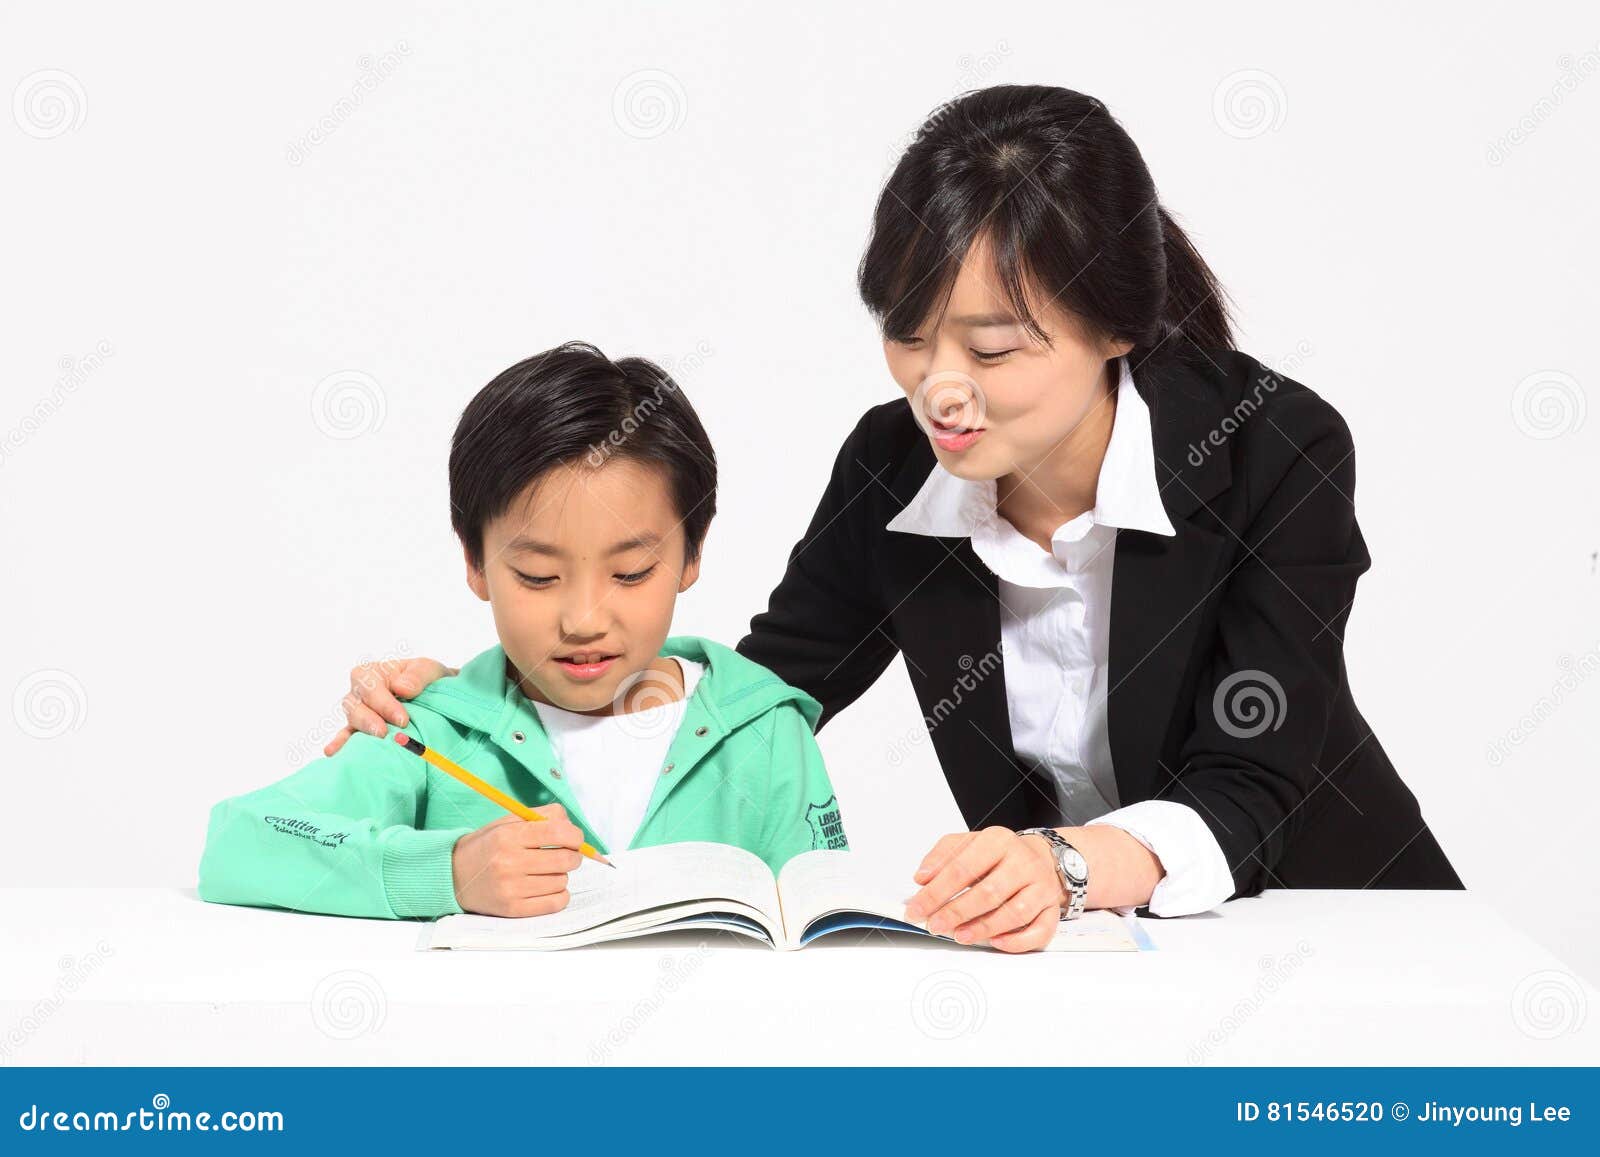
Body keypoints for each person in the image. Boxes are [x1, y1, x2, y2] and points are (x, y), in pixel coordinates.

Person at [324, 86, 1462, 951]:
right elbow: (761, 697)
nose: (939, 389)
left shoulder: (1273, 447)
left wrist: (1062, 863)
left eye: (993, 346)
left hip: (1341, 929)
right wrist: (481, 706)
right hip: (1081, 963)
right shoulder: (891, 467)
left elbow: (1254, 778)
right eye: (910, 335)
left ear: (1117, 326)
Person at [198, 342, 845, 920]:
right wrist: (446, 872)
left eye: (630, 572)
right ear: (475, 561)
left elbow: (826, 929)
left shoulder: (765, 733)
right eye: (538, 575)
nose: (584, 620)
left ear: (692, 555)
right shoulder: (432, 729)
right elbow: (238, 843)